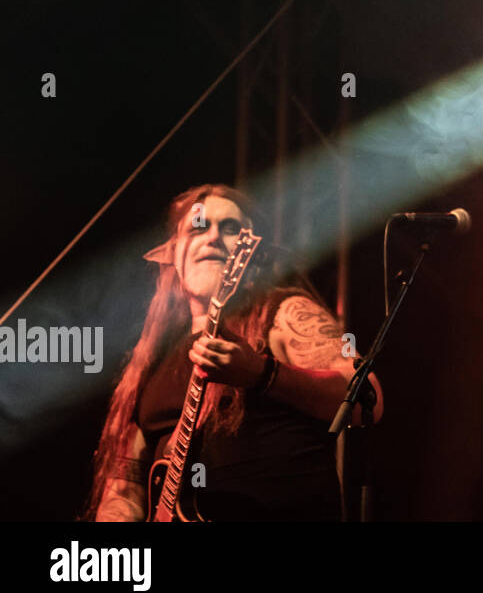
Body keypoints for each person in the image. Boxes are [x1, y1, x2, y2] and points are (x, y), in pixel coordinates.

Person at [84, 183, 382, 521]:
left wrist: (261, 374)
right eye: (199, 227)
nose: (212, 237)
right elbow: (125, 487)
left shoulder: (284, 315)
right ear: (173, 253)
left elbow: (366, 398)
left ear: (251, 253)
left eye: (230, 228)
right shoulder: (152, 360)